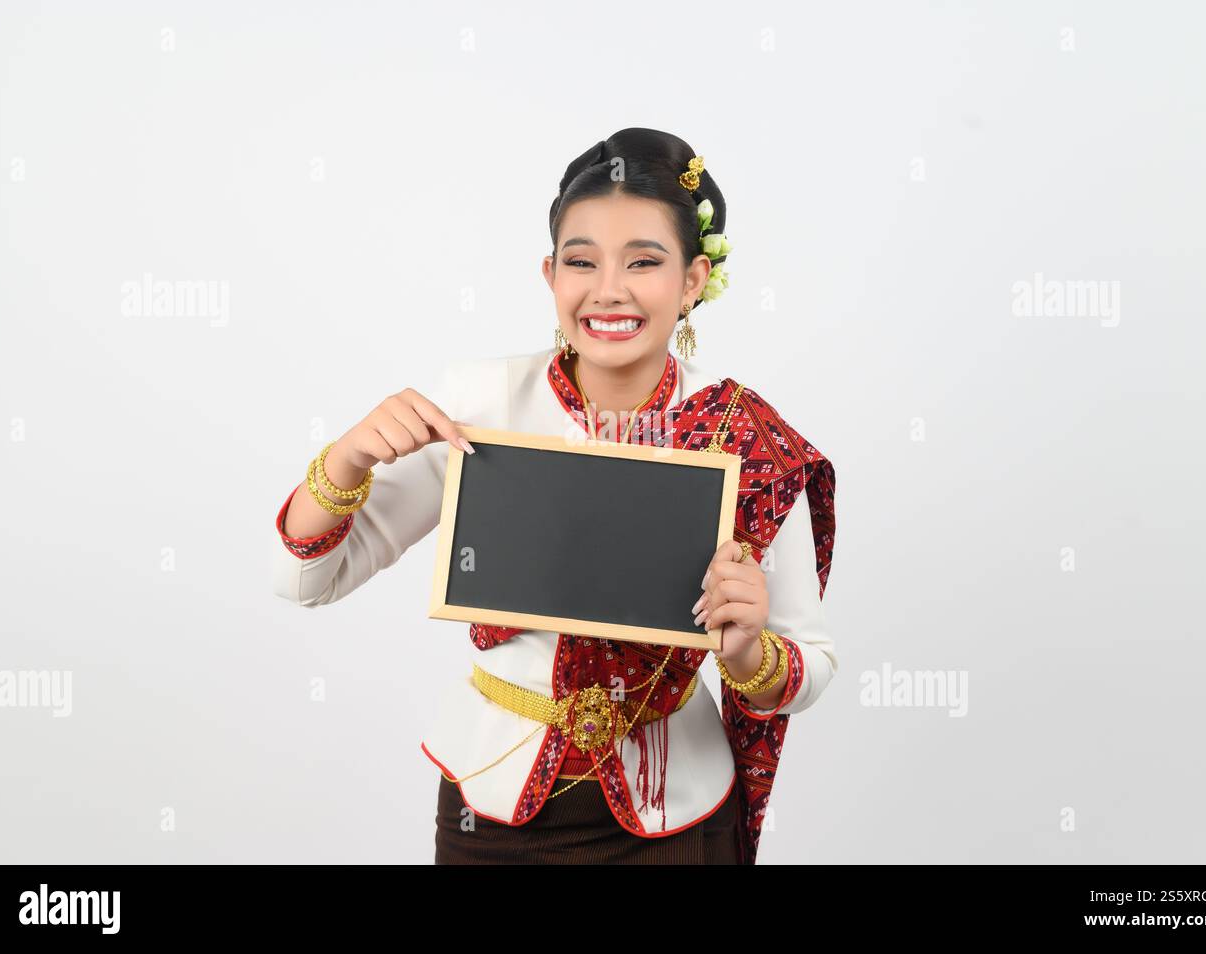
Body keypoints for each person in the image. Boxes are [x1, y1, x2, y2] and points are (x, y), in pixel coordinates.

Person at [271, 128, 837, 864]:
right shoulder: (480, 404)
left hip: (679, 816)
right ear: (550, 275)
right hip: (490, 809)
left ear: (694, 280)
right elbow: (305, 581)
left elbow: (809, 665)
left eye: (644, 262)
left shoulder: (747, 436)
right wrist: (346, 459)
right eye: (581, 262)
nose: (608, 290)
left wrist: (746, 651)